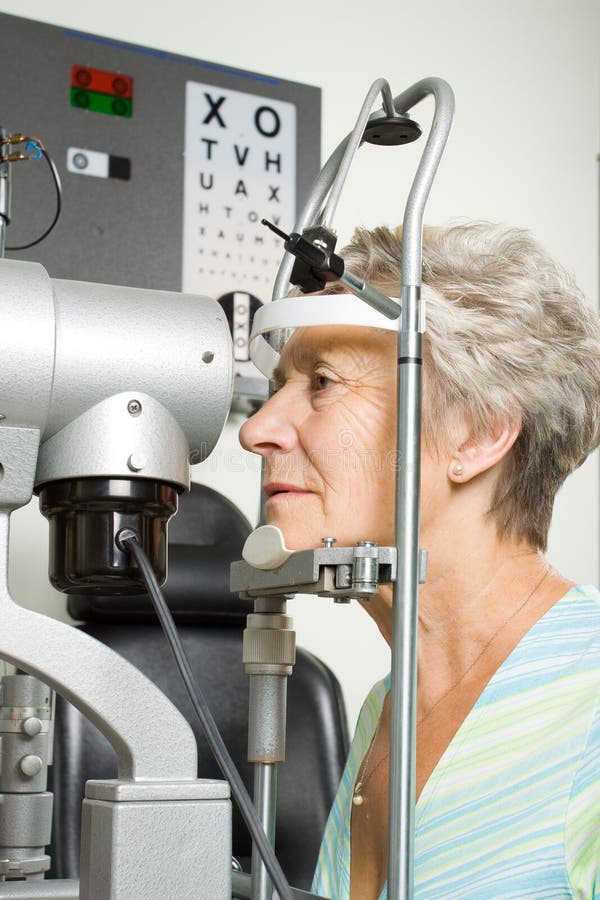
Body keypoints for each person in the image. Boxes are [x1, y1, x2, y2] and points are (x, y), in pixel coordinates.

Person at [239, 222, 600, 899]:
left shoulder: (589, 703)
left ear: (480, 431)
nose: (257, 430)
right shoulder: (388, 708)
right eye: (280, 384)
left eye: (321, 382)